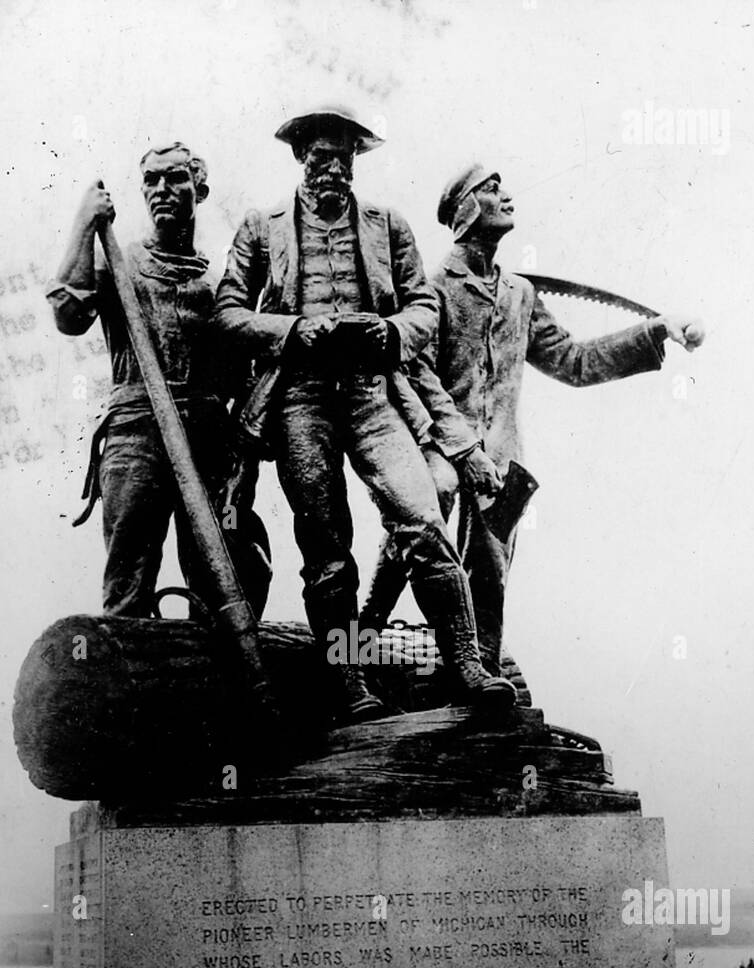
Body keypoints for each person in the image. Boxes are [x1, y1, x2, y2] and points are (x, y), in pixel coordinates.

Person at [214, 105, 515, 722]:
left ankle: (465, 665)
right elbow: (228, 316)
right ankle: (348, 683)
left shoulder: (389, 226)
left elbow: (424, 308)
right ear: (300, 156)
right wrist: (294, 330)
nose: (333, 167)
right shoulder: (260, 227)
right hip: (298, 398)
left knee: (422, 518)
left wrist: (389, 331)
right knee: (326, 548)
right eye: (321, 155)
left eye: (344, 155)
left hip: (373, 396)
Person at [361, 164, 706, 675]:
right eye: (491, 188)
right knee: (419, 524)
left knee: (491, 570)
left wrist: (655, 332)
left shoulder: (520, 294)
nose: (505, 195)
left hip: (502, 460)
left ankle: (483, 677)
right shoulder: (431, 290)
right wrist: (459, 450)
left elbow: (573, 361)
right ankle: (360, 637)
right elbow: (414, 376)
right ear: (467, 209)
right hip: (441, 450)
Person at [46, 142, 271, 619]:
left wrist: (241, 457)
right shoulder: (122, 265)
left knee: (230, 576)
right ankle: (126, 683)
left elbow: (247, 374)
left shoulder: (220, 286)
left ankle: (216, 685)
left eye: (175, 179)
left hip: (209, 442)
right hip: (136, 434)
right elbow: (68, 314)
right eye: (151, 181)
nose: (161, 190)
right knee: (128, 581)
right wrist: (84, 224)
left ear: (201, 189)